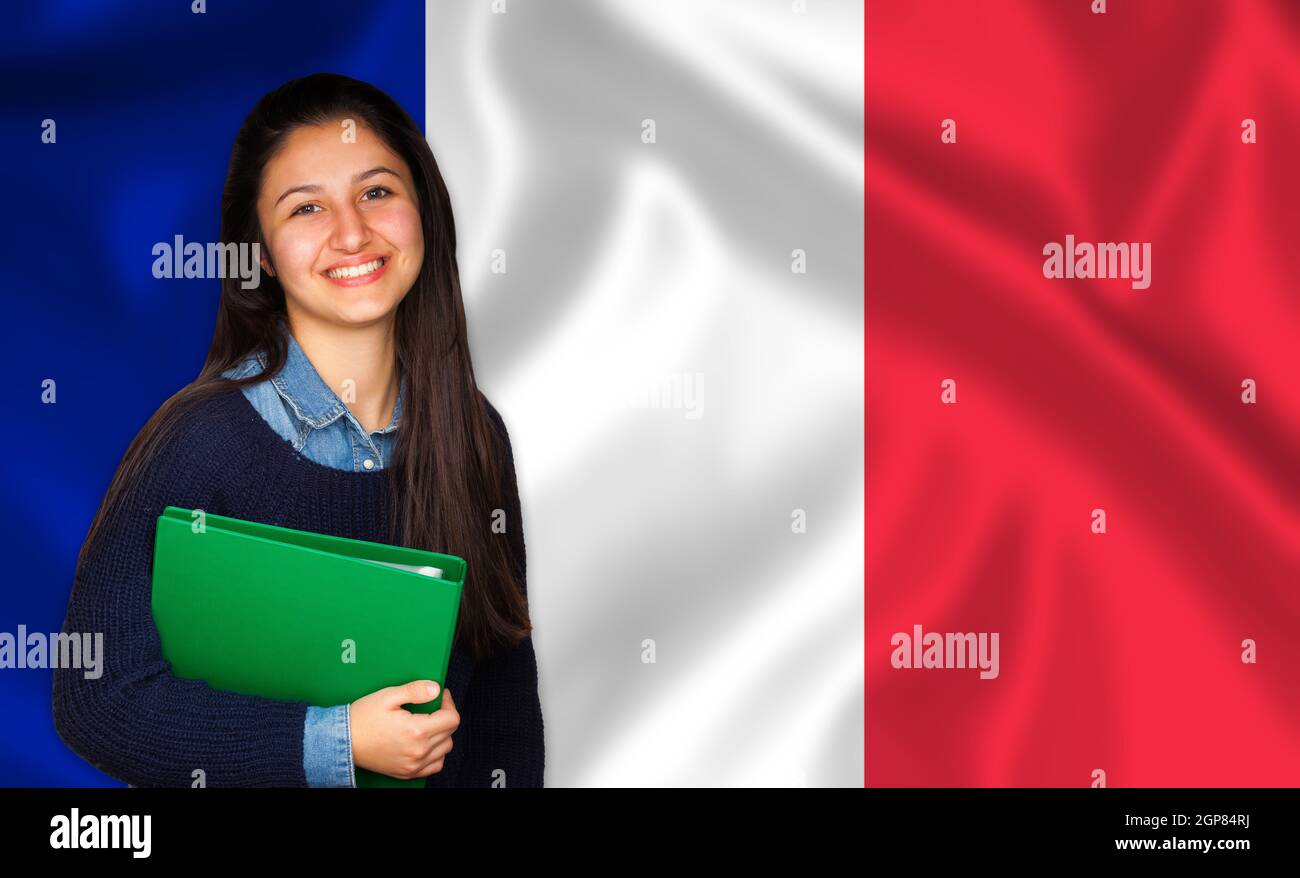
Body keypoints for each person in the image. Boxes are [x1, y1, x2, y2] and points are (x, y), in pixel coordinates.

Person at [51, 73, 544, 788]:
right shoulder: (197, 442)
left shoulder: (473, 435)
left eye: (377, 192)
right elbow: (97, 698)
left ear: (425, 212)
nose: (352, 232)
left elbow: (502, 709)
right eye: (306, 207)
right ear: (260, 252)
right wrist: (336, 741)